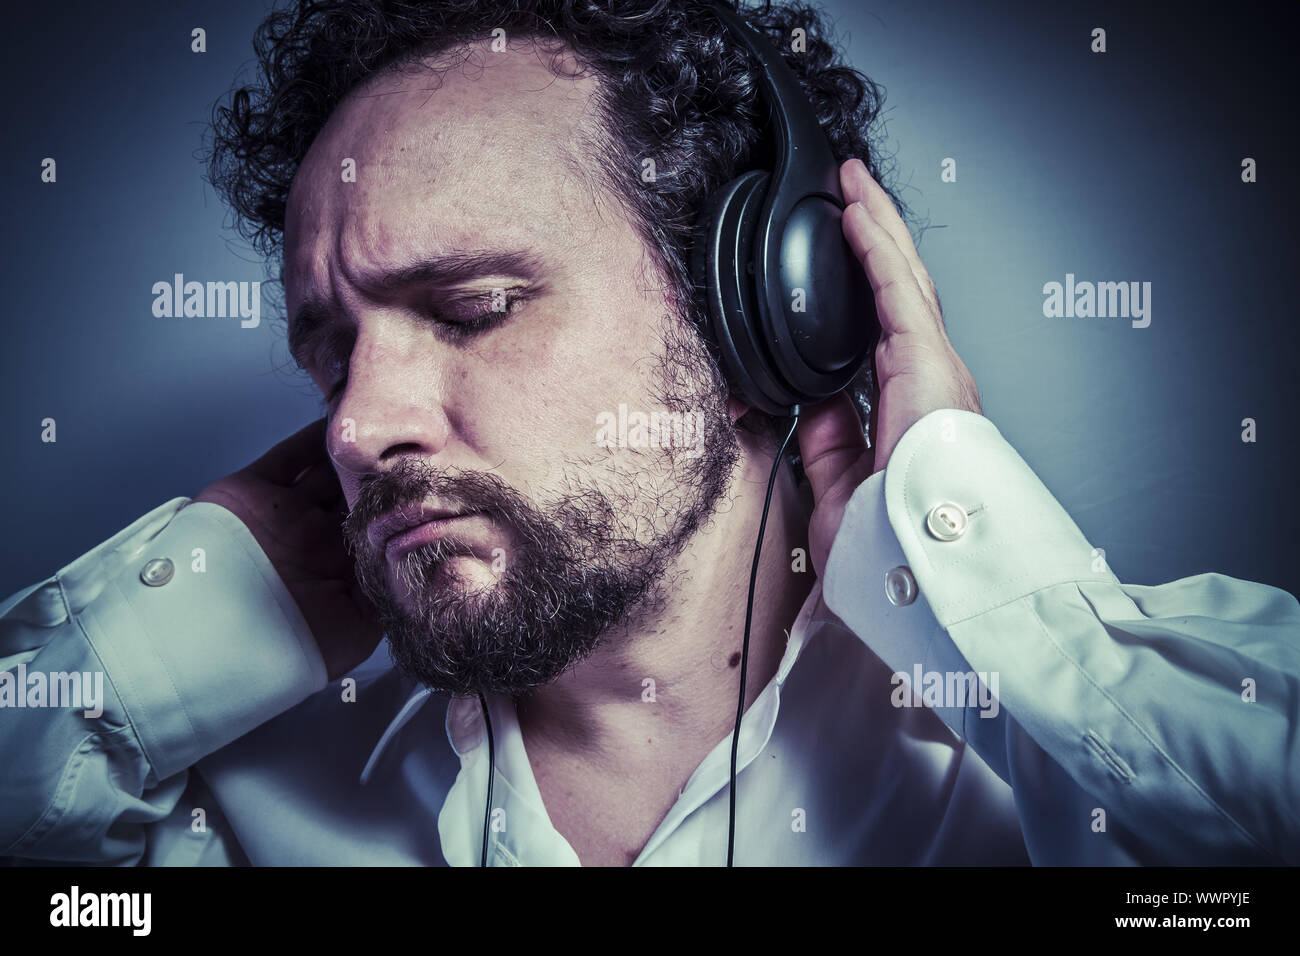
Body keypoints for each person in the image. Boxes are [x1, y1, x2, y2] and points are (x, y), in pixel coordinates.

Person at [1, 0, 1296, 866]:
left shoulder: (1060, 769)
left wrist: (977, 575)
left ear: (766, 313)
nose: (355, 427)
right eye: (331, 351)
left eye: (476, 306)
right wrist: (156, 640)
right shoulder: (236, 804)